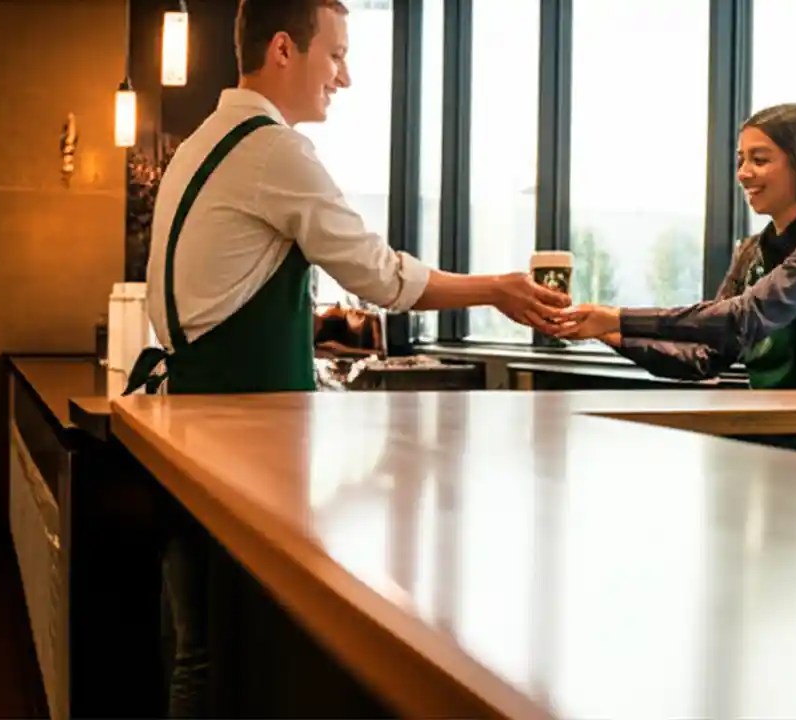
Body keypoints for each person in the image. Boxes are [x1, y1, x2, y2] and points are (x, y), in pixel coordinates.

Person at [125, 1, 569, 715]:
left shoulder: (203, 142)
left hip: (193, 427)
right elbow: (380, 276)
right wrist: (496, 289)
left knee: (198, 649)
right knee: (222, 661)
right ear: (282, 50)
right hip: (244, 445)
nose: (348, 76)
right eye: (336, 55)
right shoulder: (273, 150)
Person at [556, 103, 796, 389]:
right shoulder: (750, 253)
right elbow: (704, 358)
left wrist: (618, 318)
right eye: (741, 160)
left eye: (759, 160)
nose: (743, 174)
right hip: (773, 425)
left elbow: (743, 317)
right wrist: (602, 330)